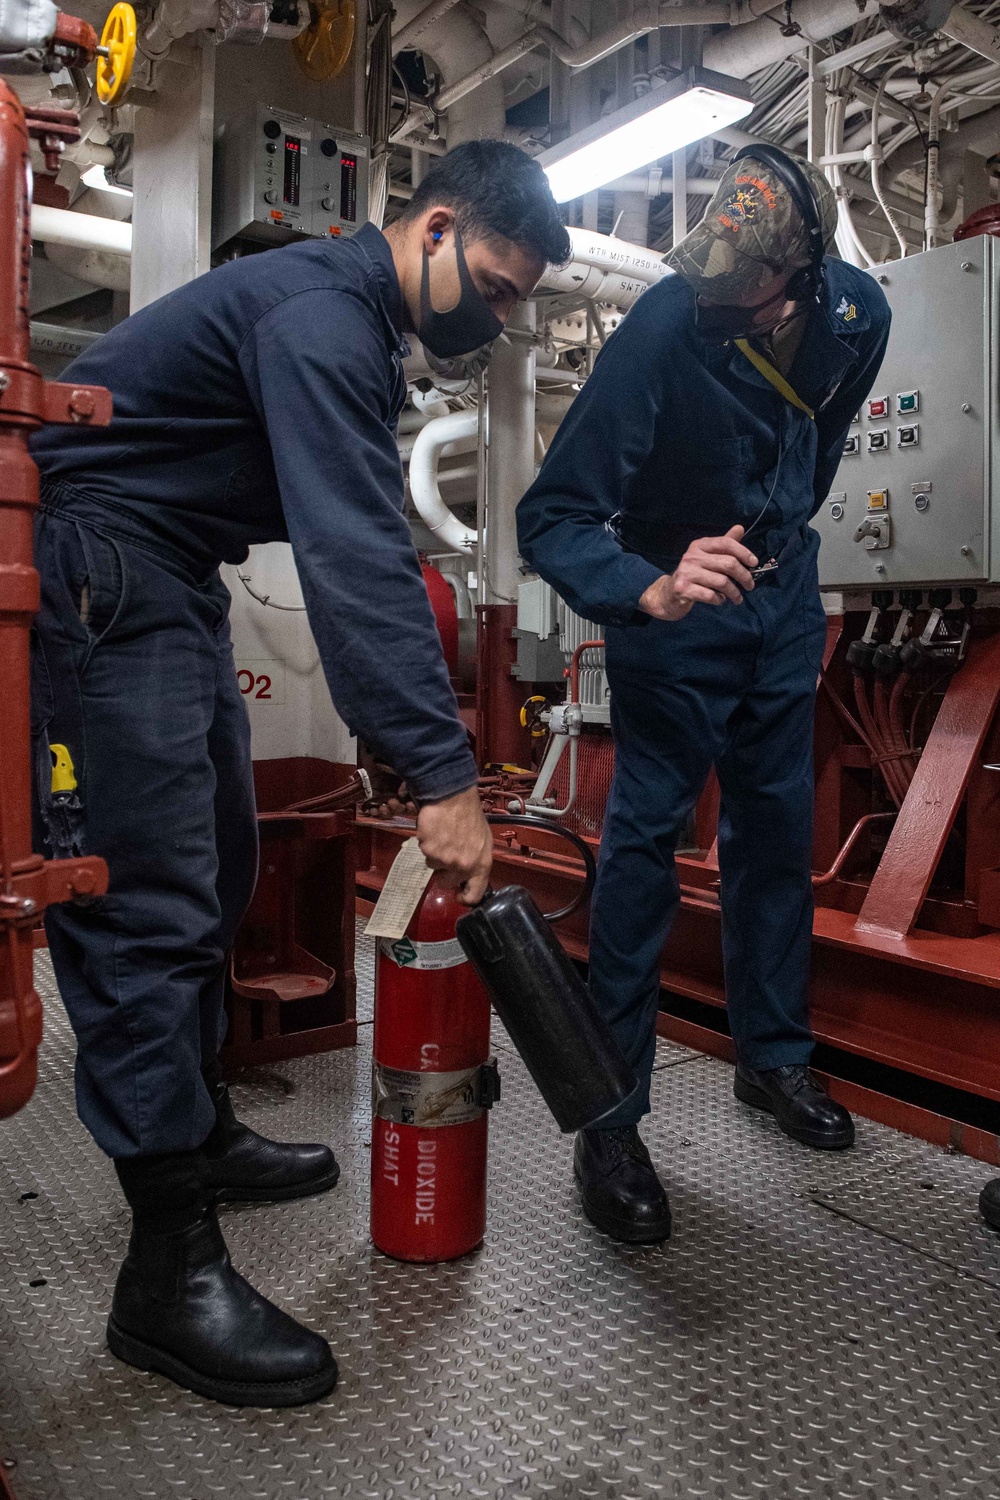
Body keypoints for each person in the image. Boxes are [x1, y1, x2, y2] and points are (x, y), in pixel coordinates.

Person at [28, 139, 570, 1405]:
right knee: (146, 914)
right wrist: (442, 777)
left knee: (216, 873)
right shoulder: (324, 315)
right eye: (489, 287)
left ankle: (200, 1133)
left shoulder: (350, 326)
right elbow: (356, 555)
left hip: (161, 573)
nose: (493, 324)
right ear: (432, 228)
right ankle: (166, 1275)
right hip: (101, 569)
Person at [517, 147, 890, 1246]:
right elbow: (554, 516)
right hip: (675, 617)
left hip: (780, 603)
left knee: (774, 834)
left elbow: (815, 448)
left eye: (745, 297)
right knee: (642, 851)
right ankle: (610, 1119)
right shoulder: (662, 330)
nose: (718, 308)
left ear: (805, 276)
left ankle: (772, 1060)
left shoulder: (856, 316)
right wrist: (658, 586)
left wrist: (772, 546)